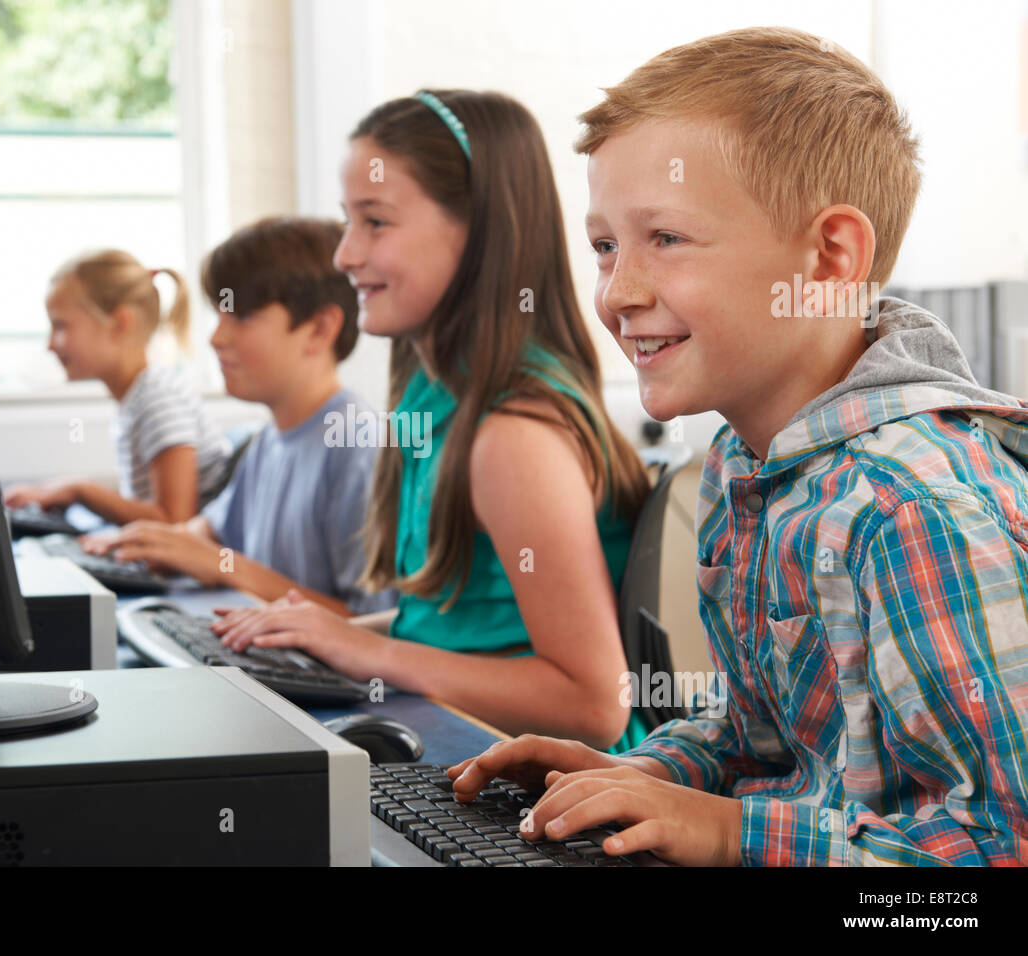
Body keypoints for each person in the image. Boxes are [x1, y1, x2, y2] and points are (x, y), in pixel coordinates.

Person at [449, 27, 1028, 866]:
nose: (619, 292)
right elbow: (763, 735)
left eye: (667, 240)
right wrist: (639, 775)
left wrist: (726, 832)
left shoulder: (911, 512)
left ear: (830, 257)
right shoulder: (744, 464)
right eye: (606, 246)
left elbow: (1002, 850)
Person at [209, 90, 654, 750]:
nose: (344, 256)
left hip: (551, 795)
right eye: (346, 222)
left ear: (476, 231)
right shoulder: (433, 397)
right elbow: (456, 630)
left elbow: (595, 706)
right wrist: (324, 635)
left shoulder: (514, 434)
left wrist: (374, 656)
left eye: (376, 223)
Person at [82, 217, 398, 616]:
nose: (216, 337)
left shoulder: (356, 444)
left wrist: (225, 566)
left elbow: (372, 623)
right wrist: (159, 542)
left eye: (241, 317)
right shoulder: (270, 439)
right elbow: (212, 527)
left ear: (320, 329)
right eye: (218, 314)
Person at [4, 250, 231, 525]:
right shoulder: (138, 398)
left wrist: (81, 490)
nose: (50, 344)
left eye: (60, 326)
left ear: (120, 324)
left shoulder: (159, 400)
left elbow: (174, 521)